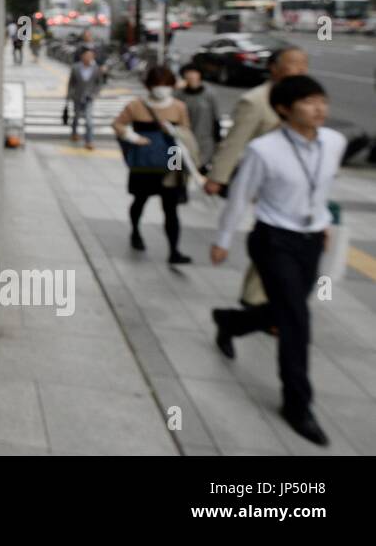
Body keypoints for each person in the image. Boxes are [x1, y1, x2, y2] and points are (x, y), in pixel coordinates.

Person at [210, 75, 344, 446]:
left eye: (322, 100)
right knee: (297, 321)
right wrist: (223, 240)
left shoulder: (334, 142)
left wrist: (323, 221)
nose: (319, 108)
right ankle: (298, 404)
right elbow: (241, 197)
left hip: (311, 239)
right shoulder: (264, 150)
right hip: (272, 239)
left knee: (288, 310)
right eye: (308, 102)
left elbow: (324, 185)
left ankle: (231, 322)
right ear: (284, 109)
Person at [205, 45, 309, 308]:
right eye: (293, 63)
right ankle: (255, 301)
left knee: (286, 244)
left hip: (297, 187)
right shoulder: (256, 101)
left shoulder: (308, 99)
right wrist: (218, 177)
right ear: (273, 68)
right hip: (266, 184)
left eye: (303, 64)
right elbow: (235, 142)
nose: (300, 70)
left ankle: (266, 299)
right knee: (274, 240)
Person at [112, 65, 199, 263]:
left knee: (171, 208)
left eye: (166, 84)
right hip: (145, 162)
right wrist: (133, 137)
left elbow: (186, 132)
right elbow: (118, 124)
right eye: (157, 84)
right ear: (149, 85)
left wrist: (176, 133)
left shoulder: (179, 107)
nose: (162, 88)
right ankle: (135, 232)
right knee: (140, 200)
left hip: (172, 161)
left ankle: (174, 250)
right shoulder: (136, 105)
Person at [178, 63, 221, 173]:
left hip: (204, 141)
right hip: (182, 140)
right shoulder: (178, 95)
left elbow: (216, 117)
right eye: (188, 73)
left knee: (201, 170)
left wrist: (217, 140)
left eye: (194, 72)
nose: (191, 76)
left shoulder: (210, 94)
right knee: (178, 171)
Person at [66, 48, 105, 149]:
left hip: (89, 98)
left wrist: (95, 94)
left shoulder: (96, 68)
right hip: (77, 97)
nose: (88, 58)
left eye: (90, 56)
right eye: (86, 55)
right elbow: (71, 83)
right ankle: (74, 133)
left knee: (89, 120)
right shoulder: (75, 67)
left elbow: (99, 83)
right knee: (76, 117)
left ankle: (89, 141)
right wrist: (69, 95)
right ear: (82, 57)